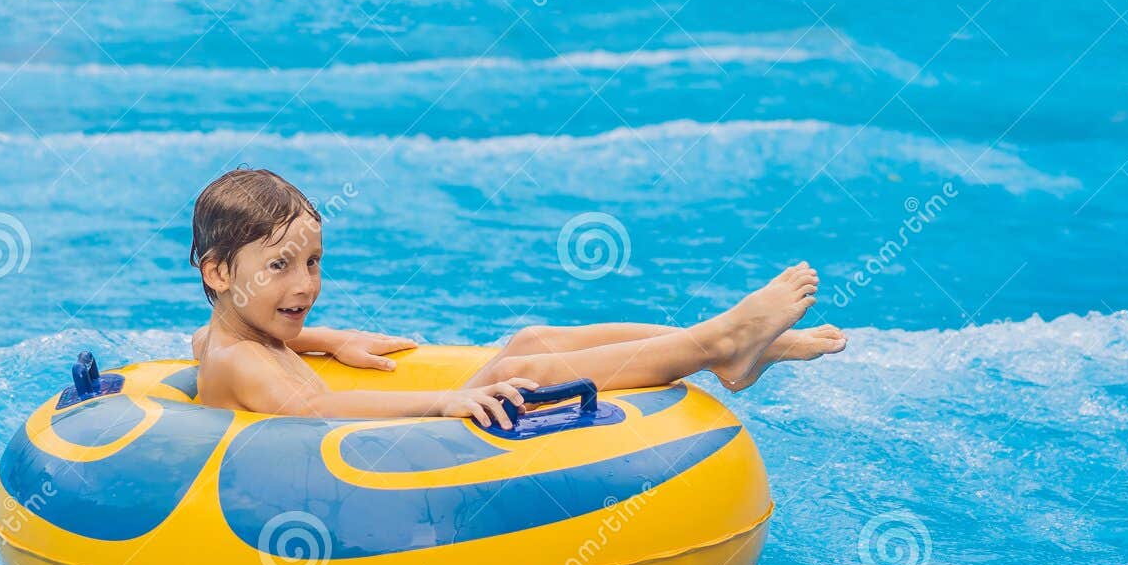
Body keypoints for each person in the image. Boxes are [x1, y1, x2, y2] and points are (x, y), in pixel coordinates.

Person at [190, 168, 845, 429]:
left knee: (531, 339)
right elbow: (314, 408)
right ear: (220, 273)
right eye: (279, 265)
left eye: (313, 262)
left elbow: (232, 340)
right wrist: (444, 398)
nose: (304, 285)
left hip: (370, 438)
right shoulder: (241, 363)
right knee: (513, 373)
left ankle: (725, 342)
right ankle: (718, 345)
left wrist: (331, 339)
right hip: (339, 464)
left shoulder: (228, 337)